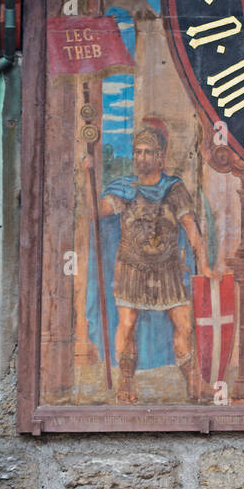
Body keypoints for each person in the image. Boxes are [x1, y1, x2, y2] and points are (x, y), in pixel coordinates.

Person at [84, 120, 216, 403]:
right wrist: (87, 177)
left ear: (160, 157)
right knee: (127, 324)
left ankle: (194, 384)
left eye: (148, 152)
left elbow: (192, 230)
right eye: (138, 152)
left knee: (184, 325)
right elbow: (93, 212)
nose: (142, 157)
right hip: (132, 267)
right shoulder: (123, 190)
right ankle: (126, 383)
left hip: (168, 269)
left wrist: (204, 265)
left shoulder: (174, 189)